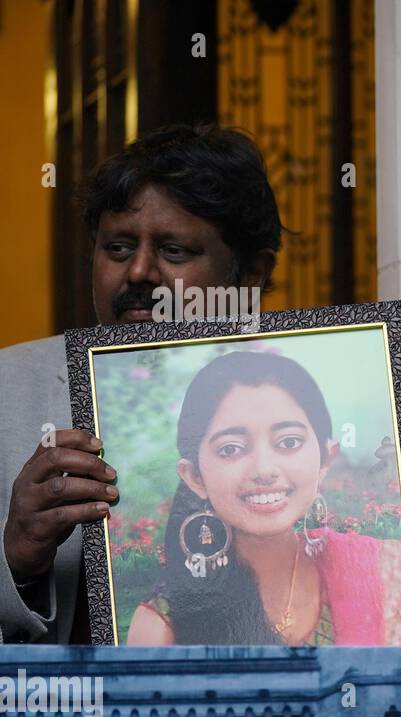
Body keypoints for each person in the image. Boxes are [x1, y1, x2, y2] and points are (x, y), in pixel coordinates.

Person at [0, 122, 282, 644]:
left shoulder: (300, 390)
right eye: (118, 247)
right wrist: (17, 555)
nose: (139, 272)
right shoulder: (7, 390)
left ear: (250, 276)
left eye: (174, 251)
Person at [126, 351, 401, 646]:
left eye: (289, 442)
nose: (264, 470)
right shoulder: (163, 622)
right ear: (194, 477)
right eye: (231, 449)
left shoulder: (392, 574)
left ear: (325, 460)